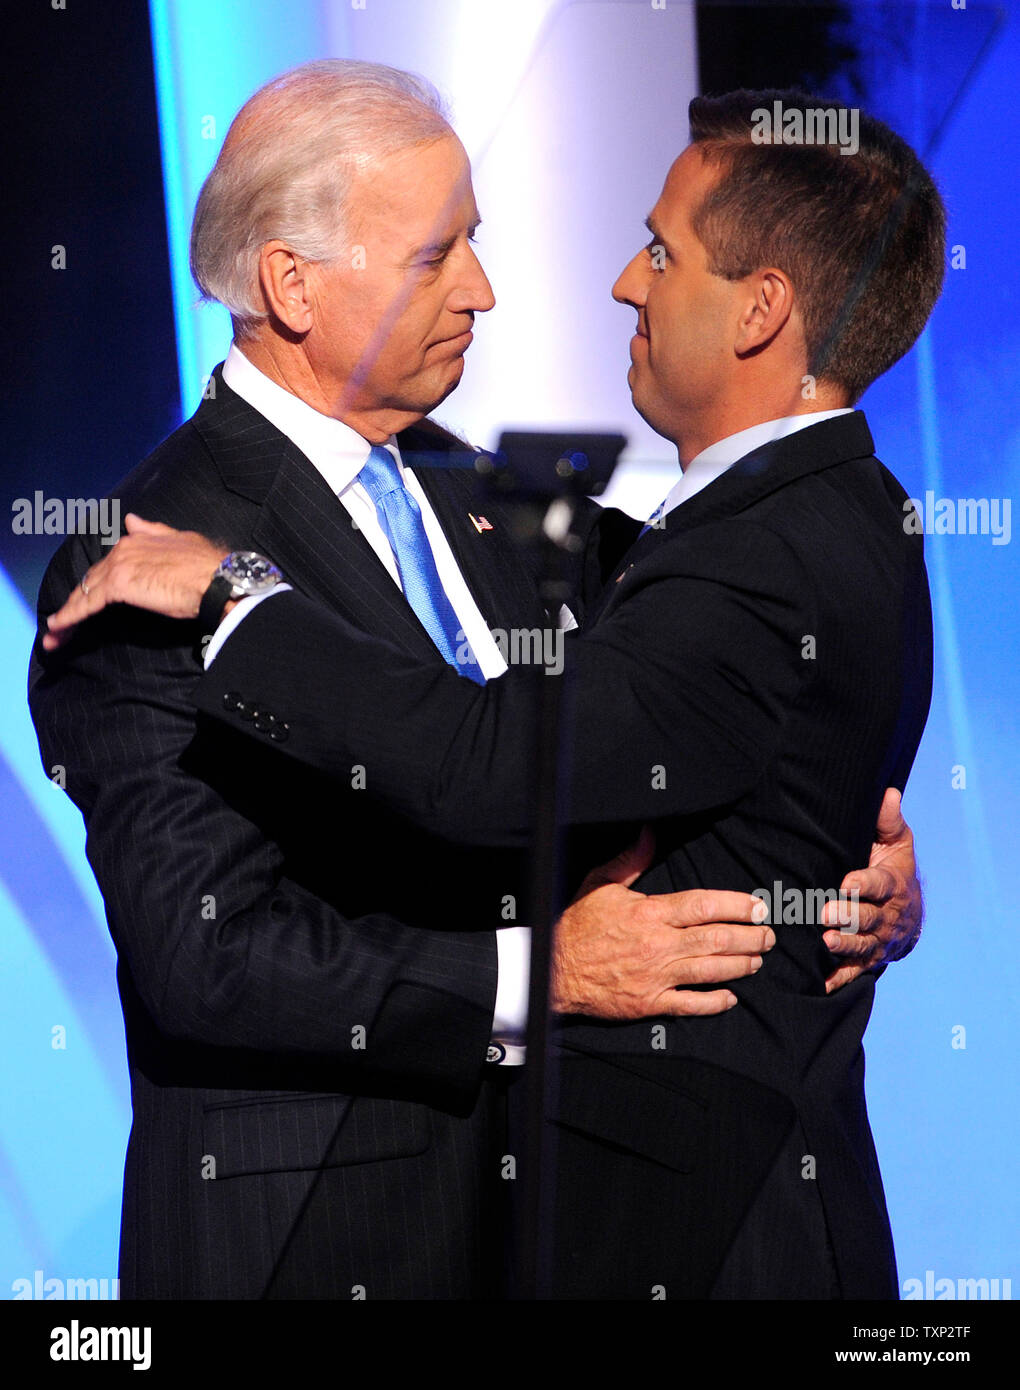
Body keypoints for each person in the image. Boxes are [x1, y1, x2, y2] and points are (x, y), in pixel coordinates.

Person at [35, 67, 924, 1300]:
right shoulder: (145, 561)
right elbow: (209, 959)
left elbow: (697, 677)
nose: (485, 292)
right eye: (434, 256)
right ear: (293, 284)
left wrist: (828, 848)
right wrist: (535, 974)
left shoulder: (487, 491)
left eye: (479, 244)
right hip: (315, 1239)